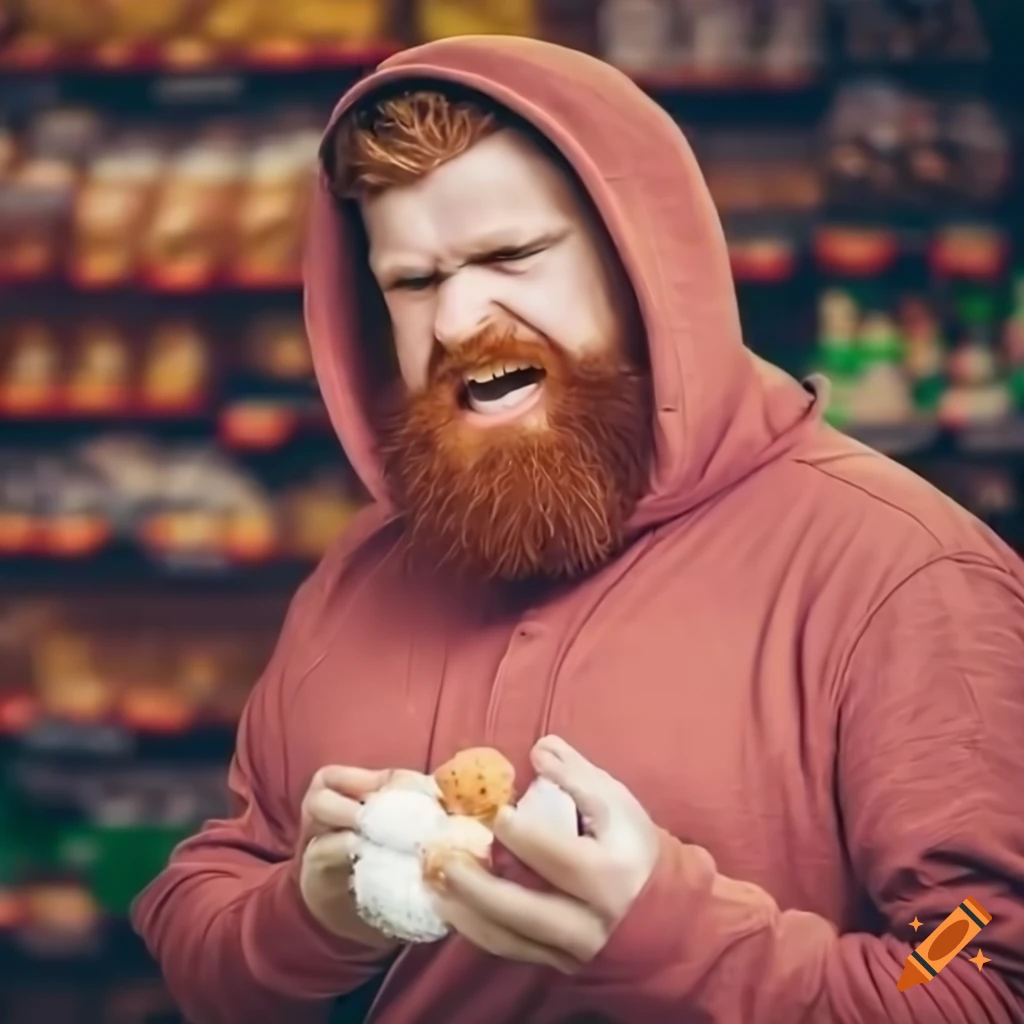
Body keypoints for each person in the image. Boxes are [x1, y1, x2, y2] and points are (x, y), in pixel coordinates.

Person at [131, 35, 1024, 1024]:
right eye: (414, 283)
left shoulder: (903, 572)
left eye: (512, 255)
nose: (463, 317)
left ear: (648, 265)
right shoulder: (361, 575)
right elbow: (196, 913)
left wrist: (680, 939)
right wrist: (303, 914)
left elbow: (971, 962)